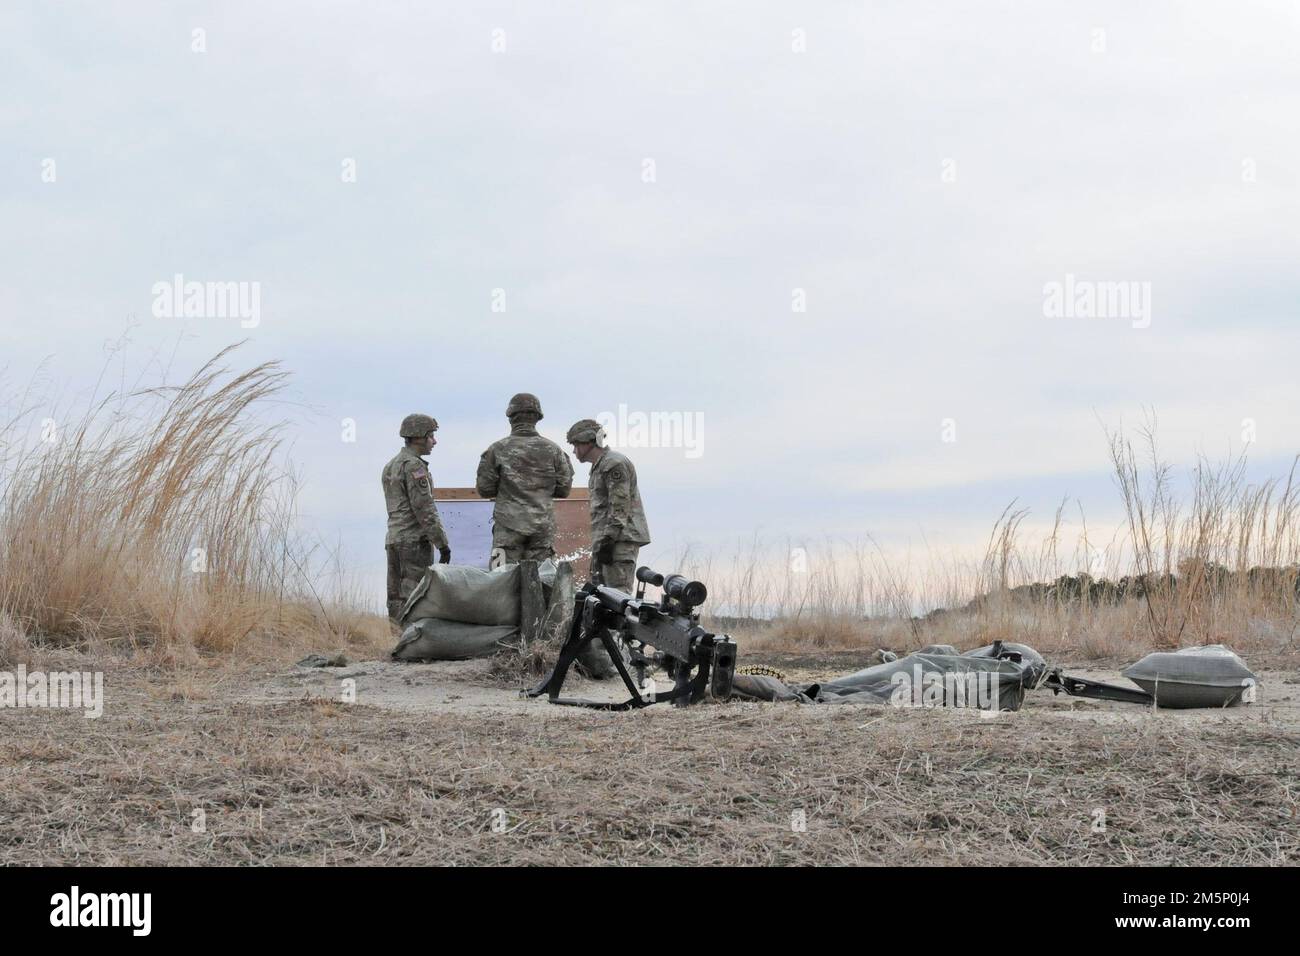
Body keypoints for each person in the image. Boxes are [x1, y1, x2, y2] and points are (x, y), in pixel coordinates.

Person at [475, 393, 573, 564]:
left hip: (508, 527)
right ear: (537, 417)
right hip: (542, 527)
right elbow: (564, 490)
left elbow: (485, 489)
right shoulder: (554, 450)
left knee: (502, 580)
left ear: (511, 417)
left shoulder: (496, 450)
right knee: (543, 580)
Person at [565, 418, 651, 592]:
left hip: (619, 542)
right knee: (603, 599)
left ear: (588, 442)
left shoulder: (613, 464)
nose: (574, 451)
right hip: (608, 542)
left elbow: (620, 506)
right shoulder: (600, 466)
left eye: (576, 445)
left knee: (618, 596)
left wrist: (608, 540)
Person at [382, 413, 450, 621]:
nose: (434, 441)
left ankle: (395, 641)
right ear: (419, 437)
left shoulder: (390, 465)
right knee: (415, 595)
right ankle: (411, 644)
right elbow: (424, 509)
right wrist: (442, 544)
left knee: (395, 596)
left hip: (394, 539)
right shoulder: (414, 466)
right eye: (431, 436)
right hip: (413, 542)